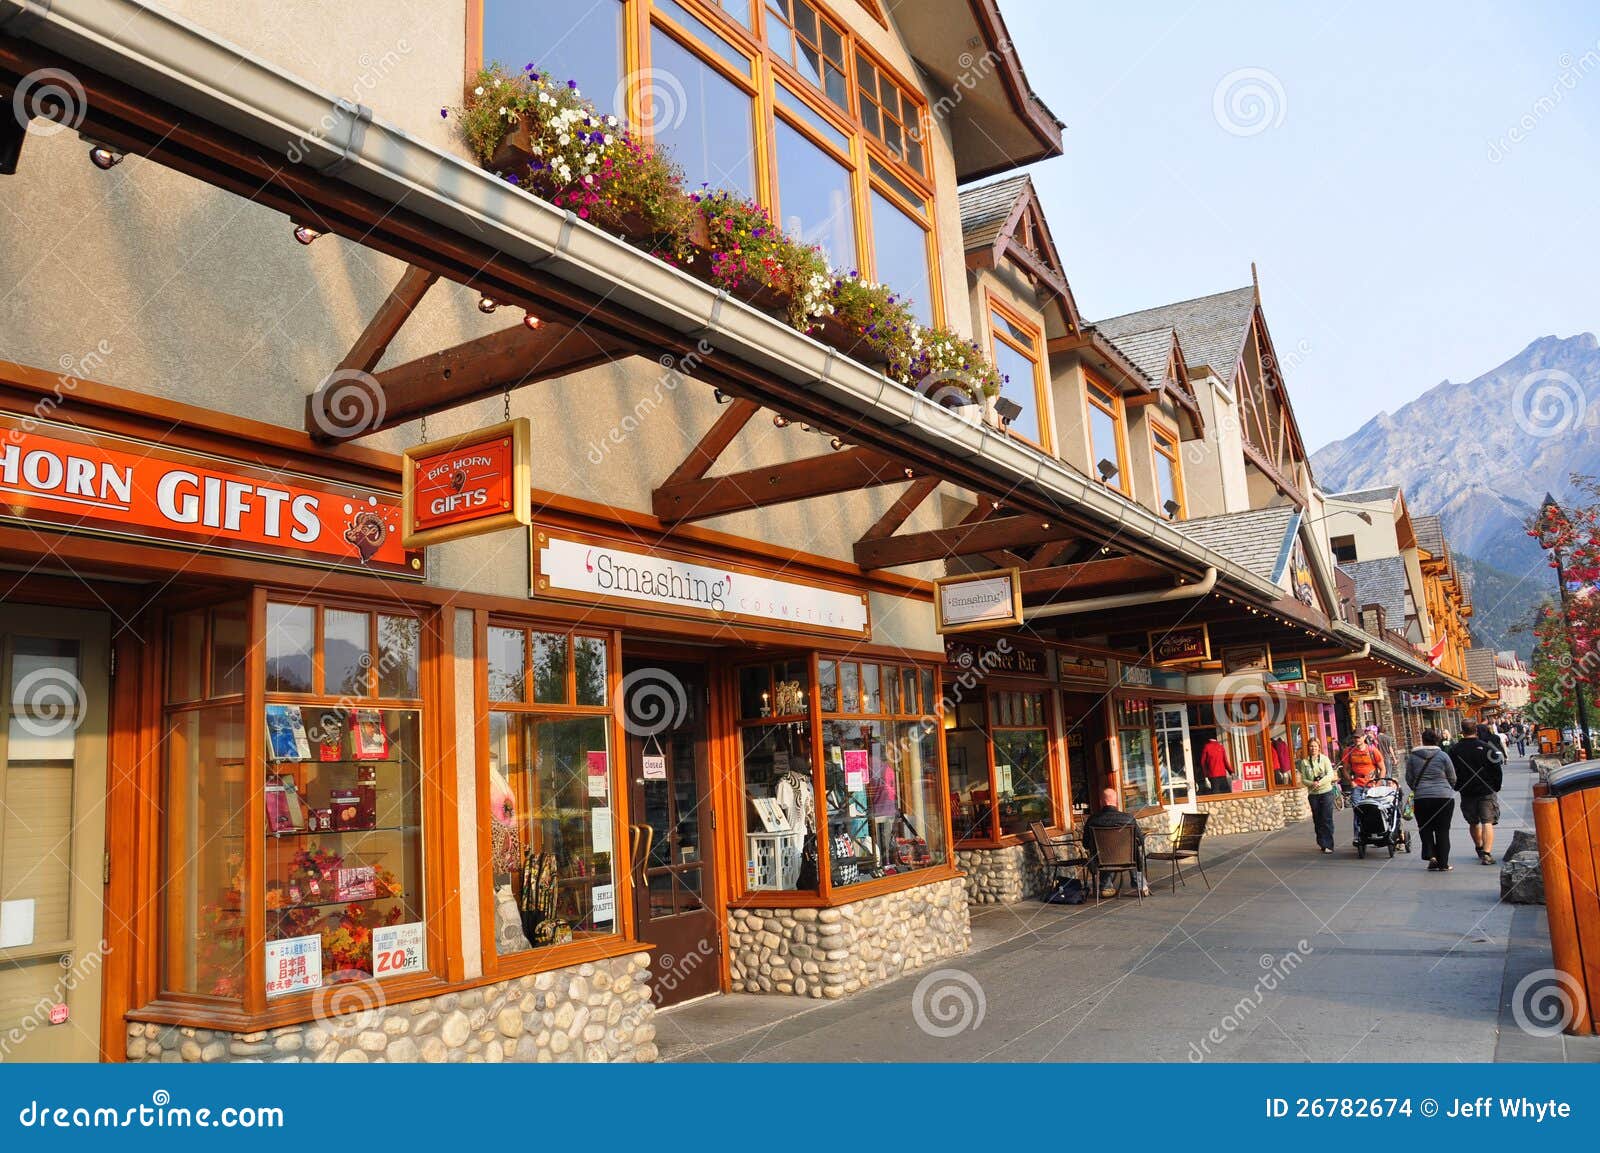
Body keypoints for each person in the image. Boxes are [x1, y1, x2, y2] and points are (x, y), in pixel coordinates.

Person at [1451, 720, 1504, 865]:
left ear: (1462, 730)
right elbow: (1497, 769)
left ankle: (1479, 847)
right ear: (1476, 730)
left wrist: (1456, 785)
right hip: (1486, 790)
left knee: (1473, 822)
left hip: (1466, 790)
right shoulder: (1487, 748)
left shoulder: (1455, 750)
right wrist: (1496, 786)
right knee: (1488, 821)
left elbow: (1451, 771)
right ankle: (1487, 854)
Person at [1406, 728, 1458, 871]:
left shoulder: (1413, 757)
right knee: (1443, 831)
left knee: (1425, 828)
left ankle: (1432, 856)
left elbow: (1409, 778)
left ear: (1422, 740)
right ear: (1437, 740)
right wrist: (1448, 787)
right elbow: (1452, 777)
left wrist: (1417, 789)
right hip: (1443, 797)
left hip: (1422, 798)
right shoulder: (1443, 756)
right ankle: (1443, 864)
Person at [1083, 788, 1150, 897]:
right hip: (1126, 859)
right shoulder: (1128, 818)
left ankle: (1105, 886)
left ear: (1101, 802)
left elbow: (1085, 844)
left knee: (1103, 852)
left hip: (1102, 861)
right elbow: (1141, 840)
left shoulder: (1093, 820)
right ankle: (1139, 884)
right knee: (1133, 848)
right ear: (1116, 801)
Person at [1298, 736, 1339, 854]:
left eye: (1315, 746)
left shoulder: (1325, 759)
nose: (1313, 748)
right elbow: (1304, 779)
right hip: (1313, 794)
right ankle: (1321, 841)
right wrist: (1312, 783)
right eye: (1311, 746)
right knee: (1317, 819)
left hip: (1326, 792)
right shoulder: (1304, 762)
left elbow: (1330, 775)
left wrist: (1320, 783)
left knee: (1326, 818)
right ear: (1308, 748)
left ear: (1319, 747)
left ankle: (1329, 844)